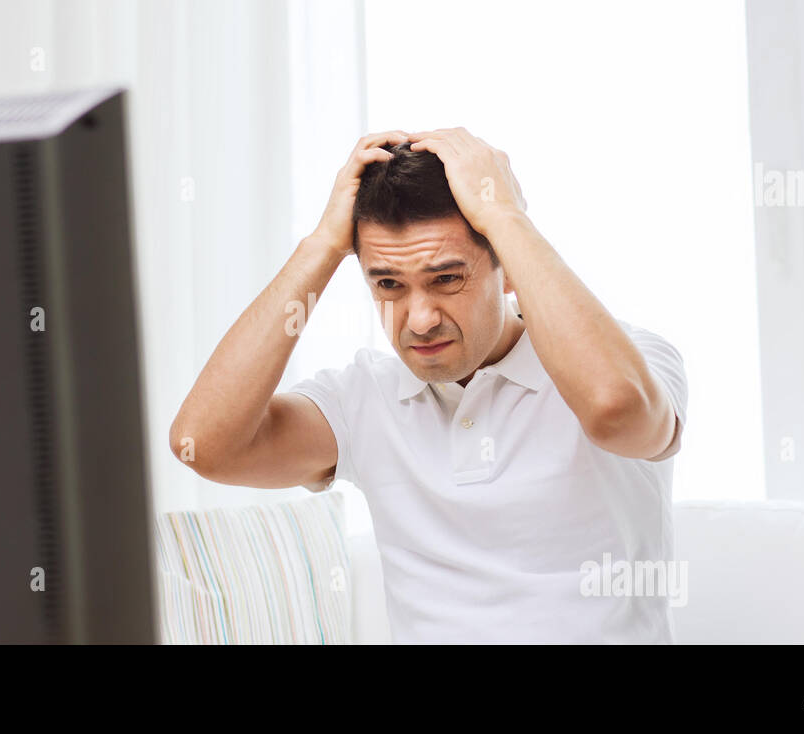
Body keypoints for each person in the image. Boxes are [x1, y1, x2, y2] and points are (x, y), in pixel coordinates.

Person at [169, 128, 687, 643]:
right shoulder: (362, 398)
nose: (418, 320)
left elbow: (617, 413)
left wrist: (506, 218)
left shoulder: (631, 359)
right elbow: (206, 446)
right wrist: (323, 244)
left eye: (446, 279)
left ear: (508, 268)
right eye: (389, 284)